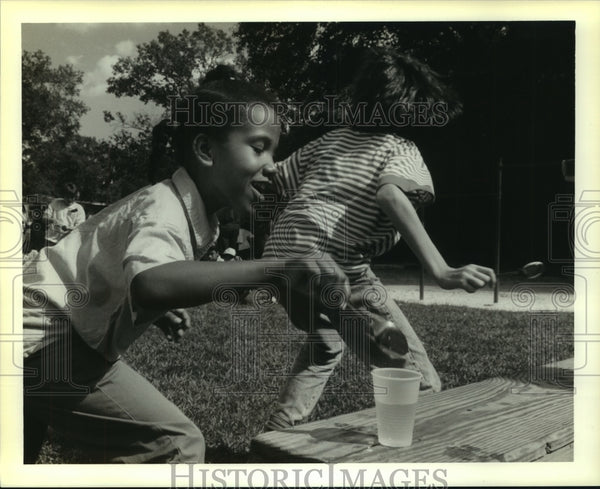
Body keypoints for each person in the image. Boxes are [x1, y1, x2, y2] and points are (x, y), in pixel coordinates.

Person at [22, 66, 350, 464]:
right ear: (206, 150)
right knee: (174, 443)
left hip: (38, 331)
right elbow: (151, 283)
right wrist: (278, 268)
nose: (274, 165)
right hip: (43, 342)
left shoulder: (188, 210)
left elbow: (125, 274)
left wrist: (154, 308)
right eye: (259, 147)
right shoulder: (164, 207)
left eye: (275, 152)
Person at [263, 48, 496, 429]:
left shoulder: (330, 140)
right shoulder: (398, 148)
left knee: (326, 345)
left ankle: (279, 429)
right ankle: (415, 447)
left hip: (282, 261)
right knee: (421, 380)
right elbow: (390, 195)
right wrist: (442, 270)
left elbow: (275, 179)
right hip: (337, 263)